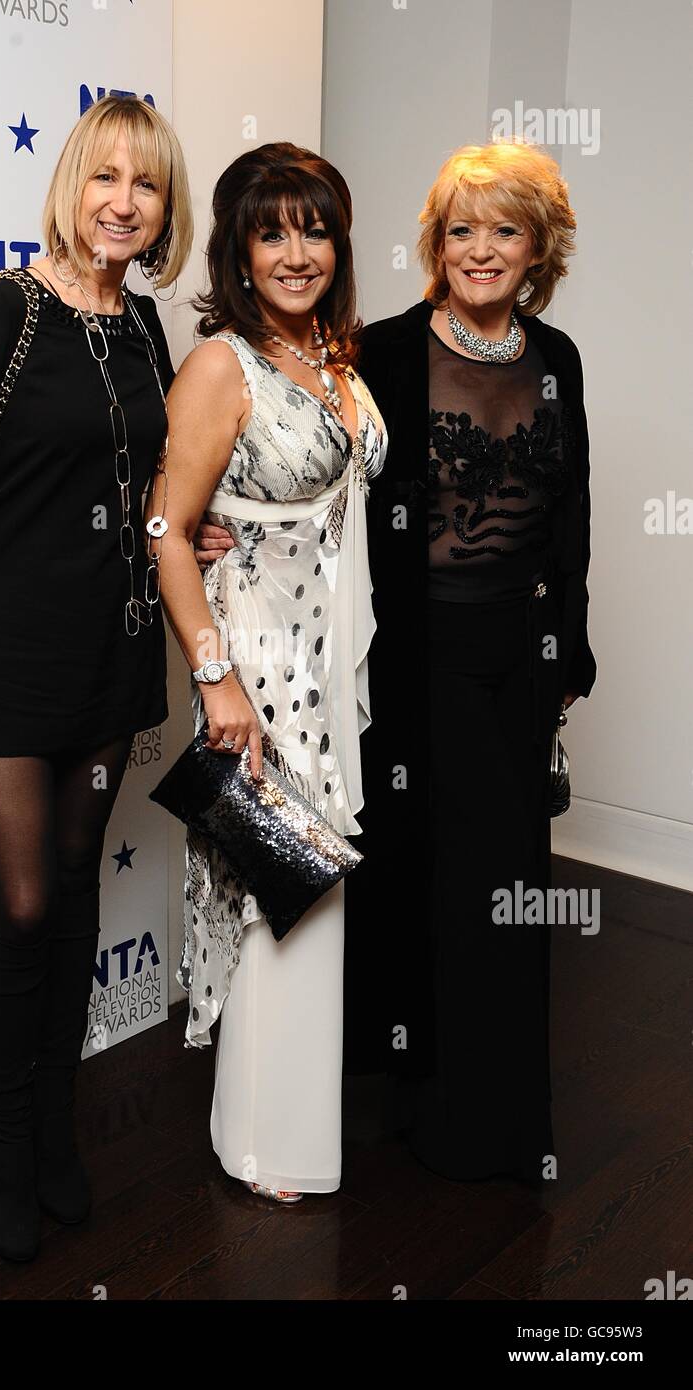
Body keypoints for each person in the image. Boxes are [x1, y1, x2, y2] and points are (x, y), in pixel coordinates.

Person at [197, 141, 596, 1183]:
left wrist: (567, 652)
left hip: (516, 658)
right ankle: (390, 1092)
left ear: (535, 249)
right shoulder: (373, 350)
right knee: (406, 880)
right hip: (401, 670)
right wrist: (215, 530)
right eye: (459, 230)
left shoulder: (556, 360)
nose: (478, 250)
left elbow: (571, 515)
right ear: (434, 245)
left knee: (503, 890)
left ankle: (495, 1115)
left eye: (502, 230)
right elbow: (307, 469)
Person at [0, 95, 192, 1260]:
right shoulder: (3, 315)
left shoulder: (145, 328)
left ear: (165, 207)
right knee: (18, 908)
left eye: (147, 184)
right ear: (72, 184)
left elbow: (143, 480)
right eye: (105, 176)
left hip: (110, 658)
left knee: (72, 896)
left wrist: (184, 529)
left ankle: (58, 1137)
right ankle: (9, 1148)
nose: (123, 201)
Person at [157, 142, 387, 1203]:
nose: (296, 252)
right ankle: (259, 1139)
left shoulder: (332, 357)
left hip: (322, 661)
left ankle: (288, 1124)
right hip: (254, 656)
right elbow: (168, 527)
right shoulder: (221, 365)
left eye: (314, 228)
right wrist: (214, 680)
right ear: (238, 251)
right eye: (270, 230)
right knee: (275, 885)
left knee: (313, 880)